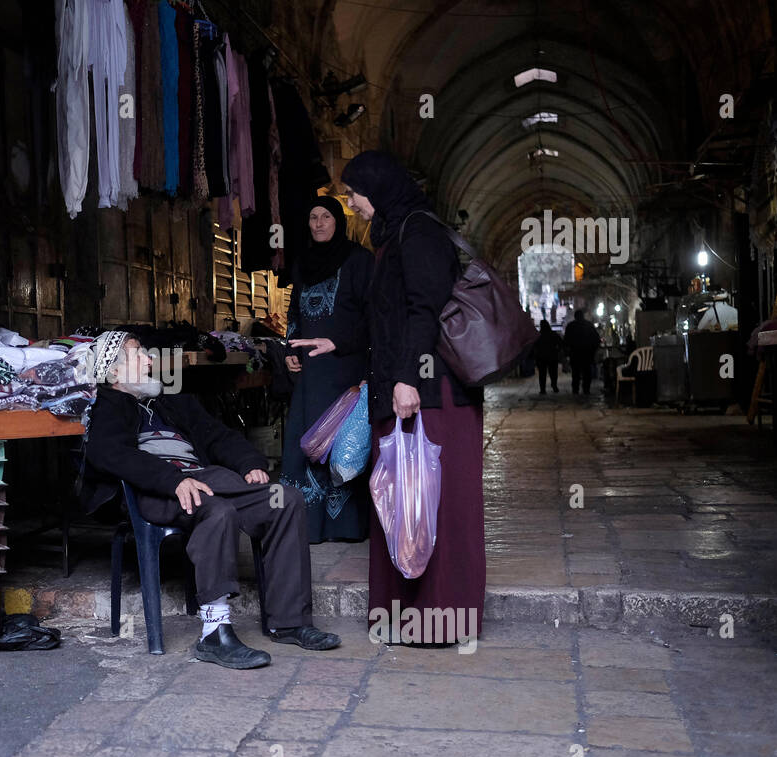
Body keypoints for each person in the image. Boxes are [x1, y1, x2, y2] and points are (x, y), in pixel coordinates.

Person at [77, 330, 341, 669]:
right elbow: (110, 454)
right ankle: (214, 633)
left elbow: (215, 434)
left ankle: (289, 622)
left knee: (284, 499)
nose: (149, 359)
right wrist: (174, 480)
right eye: (137, 355)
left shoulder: (170, 399)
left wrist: (249, 464)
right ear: (114, 372)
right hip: (158, 492)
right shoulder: (108, 406)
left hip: (205, 481)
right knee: (218, 509)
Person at [340, 150, 485, 645]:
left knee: (435, 505)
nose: (353, 204)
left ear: (377, 189)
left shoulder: (418, 232)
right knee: (400, 502)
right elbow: (385, 317)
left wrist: (406, 379)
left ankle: (441, 618)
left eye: (355, 194)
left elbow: (426, 309)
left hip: (433, 393)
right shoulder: (391, 234)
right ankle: (404, 616)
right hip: (405, 388)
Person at [280, 194, 372, 543]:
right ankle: (309, 527)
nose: (318, 223)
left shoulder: (360, 262)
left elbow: (374, 316)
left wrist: (342, 343)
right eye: (313, 217)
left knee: (344, 444)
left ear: (339, 222)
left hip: (347, 372)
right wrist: (292, 346)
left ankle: (346, 527)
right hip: (312, 376)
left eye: (326, 217)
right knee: (308, 442)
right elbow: (294, 313)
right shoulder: (302, 264)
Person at [563, 308, 600, 395]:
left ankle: (575, 389)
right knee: (587, 373)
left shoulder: (571, 326)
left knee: (575, 373)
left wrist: (567, 352)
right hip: (587, 353)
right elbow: (596, 339)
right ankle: (586, 389)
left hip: (575, 354)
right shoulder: (589, 325)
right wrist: (593, 351)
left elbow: (566, 340)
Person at [534, 319, 562, 394]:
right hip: (552, 356)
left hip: (541, 357)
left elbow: (534, 346)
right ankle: (554, 386)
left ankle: (543, 389)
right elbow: (561, 343)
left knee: (542, 374)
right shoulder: (553, 334)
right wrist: (557, 351)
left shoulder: (538, 335)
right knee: (553, 373)